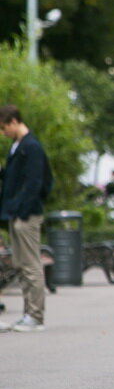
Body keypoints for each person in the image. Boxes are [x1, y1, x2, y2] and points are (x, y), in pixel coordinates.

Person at [0, 105, 51, 333]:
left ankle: (35, 316)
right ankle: (28, 313)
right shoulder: (18, 146)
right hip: (17, 212)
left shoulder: (31, 147)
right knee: (22, 265)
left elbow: (35, 183)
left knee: (30, 265)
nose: (3, 133)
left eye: (3, 128)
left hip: (25, 215)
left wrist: (22, 211)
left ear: (13, 121)